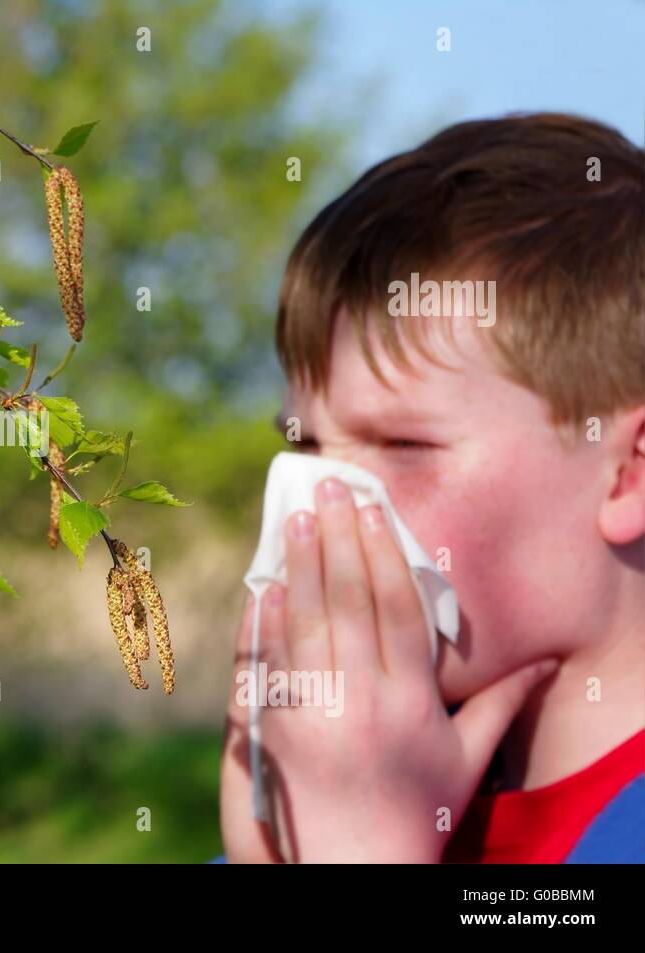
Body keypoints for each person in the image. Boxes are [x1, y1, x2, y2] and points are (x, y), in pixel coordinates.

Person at [218, 113, 644, 863]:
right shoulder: (328, 805)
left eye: (405, 445)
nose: (314, 506)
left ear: (630, 469)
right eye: (307, 445)